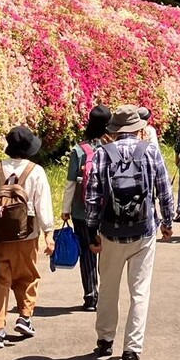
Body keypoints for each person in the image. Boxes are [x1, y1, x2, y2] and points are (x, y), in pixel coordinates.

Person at [85, 104, 175, 360]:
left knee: (109, 288)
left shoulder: (102, 154)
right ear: (139, 128)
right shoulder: (150, 152)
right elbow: (163, 189)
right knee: (140, 292)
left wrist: (92, 233)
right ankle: (131, 351)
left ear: (114, 130)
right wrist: (167, 222)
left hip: (111, 233)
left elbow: (92, 197)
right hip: (143, 231)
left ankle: (104, 339)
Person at [0, 125, 55, 348]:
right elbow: (43, 204)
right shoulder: (35, 171)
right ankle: (24, 317)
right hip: (27, 234)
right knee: (27, 276)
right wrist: (48, 233)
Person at [60, 105, 111, 312]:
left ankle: (91, 296)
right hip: (107, 210)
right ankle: (107, 295)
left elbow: (71, 183)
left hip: (82, 210)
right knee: (107, 253)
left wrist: (65, 208)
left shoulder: (79, 150)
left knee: (87, 252)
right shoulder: (111, 147)